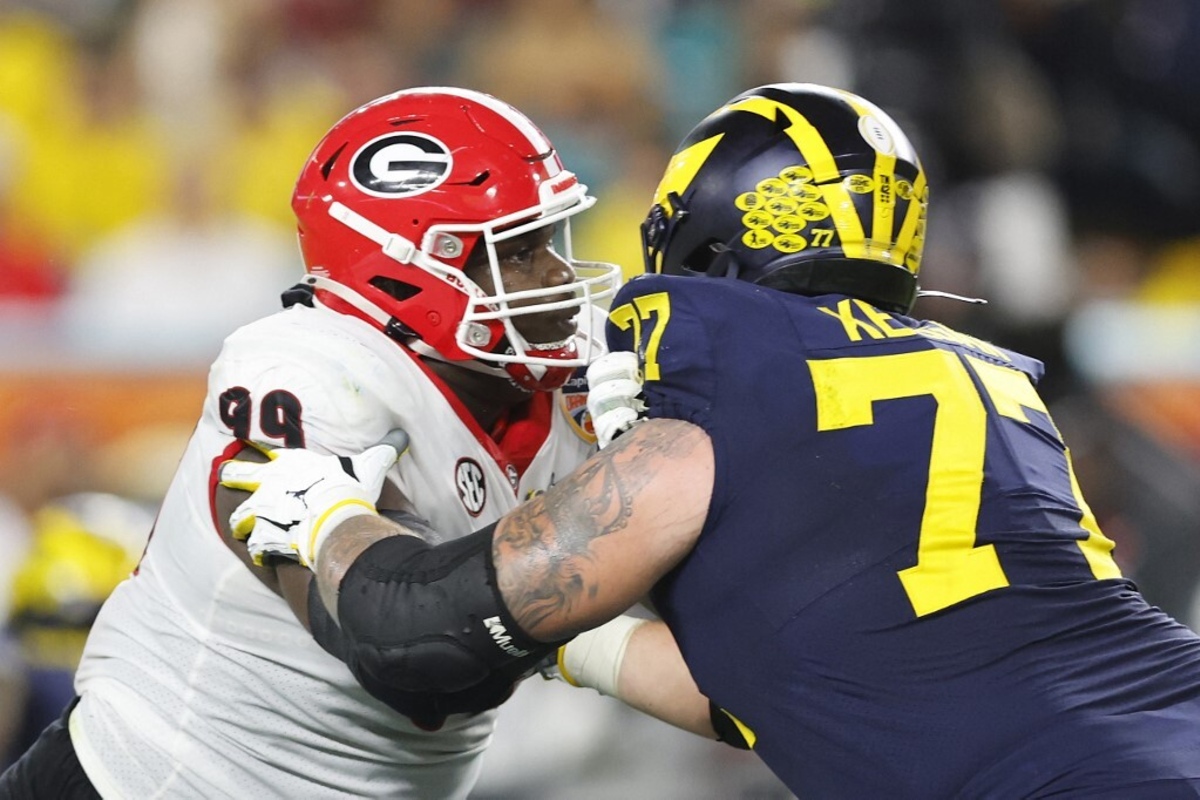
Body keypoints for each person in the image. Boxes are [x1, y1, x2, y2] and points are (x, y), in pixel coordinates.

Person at [221, 83, 1200, 798]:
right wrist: (574, 635)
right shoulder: (986, 377)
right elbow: (768, 685)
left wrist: (320, 522)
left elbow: (414, 636)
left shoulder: (721, 348)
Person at [0, 86, 622, 799]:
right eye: (515, 253)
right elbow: (410, 658)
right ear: (406, 268)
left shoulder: (583, 375)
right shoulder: (309, 373)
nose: (557, 279)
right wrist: (586, 623)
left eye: (548, 241)